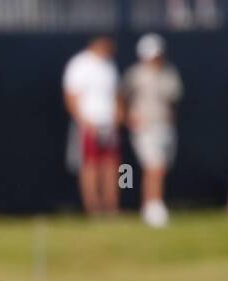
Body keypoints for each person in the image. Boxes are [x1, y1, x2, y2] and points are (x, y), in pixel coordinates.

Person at [122, 33, 183, 228]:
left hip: (164, 125)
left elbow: (174, 99)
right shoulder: (135, 75)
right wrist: (128, 117)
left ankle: (152, 205)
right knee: (154, 167)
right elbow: (122, 96)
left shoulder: (169, 73)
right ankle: (153, 206)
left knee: (160, 167)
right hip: (145, 127)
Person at [62, 36, 121, 215]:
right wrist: (85, 122)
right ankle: (93, 208)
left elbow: (115, 94)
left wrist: (118, 117)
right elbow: (71, 97)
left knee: (111, 166)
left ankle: (111, 207)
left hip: (109, 125)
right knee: (90, 165)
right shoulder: (79, 64)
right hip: (88, 125)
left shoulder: (109, 66)